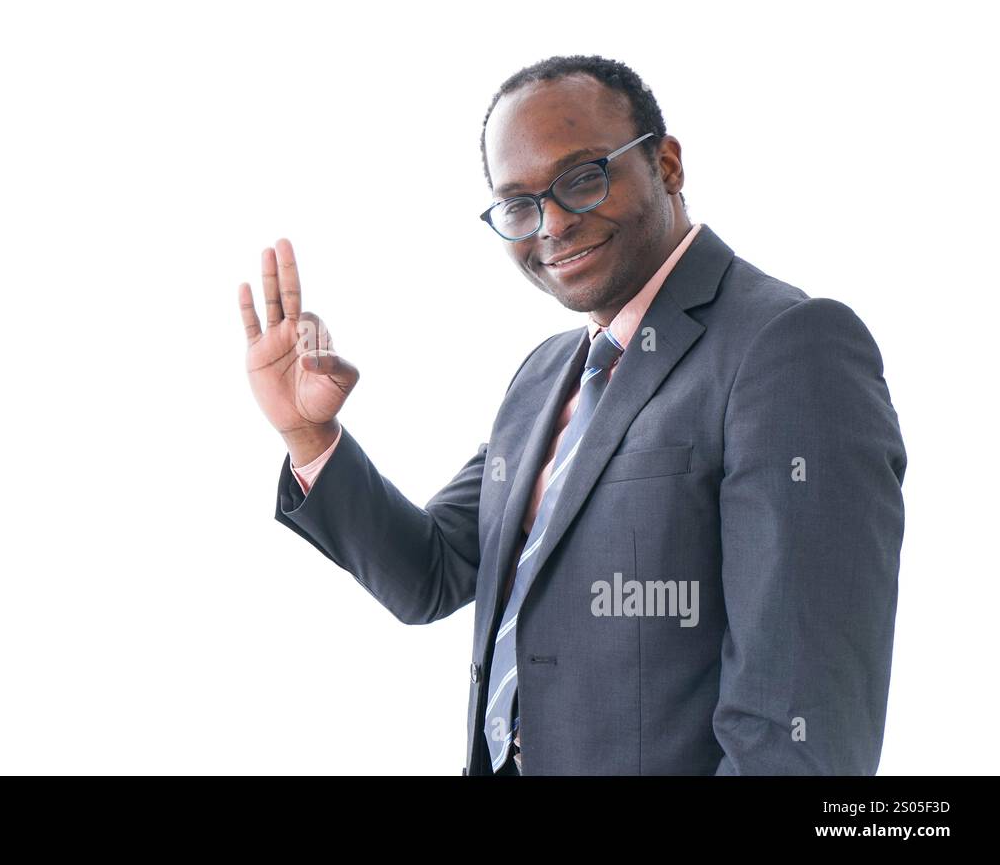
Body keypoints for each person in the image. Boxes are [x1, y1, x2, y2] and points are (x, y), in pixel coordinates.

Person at [237, 55, 907, 775]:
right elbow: (431, 574)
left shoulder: (787, 348)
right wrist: (309, 436)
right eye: (519, 204)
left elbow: (801, 726)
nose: (551, 224)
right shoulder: (545, 375)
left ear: (668, 164)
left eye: (583, 178)